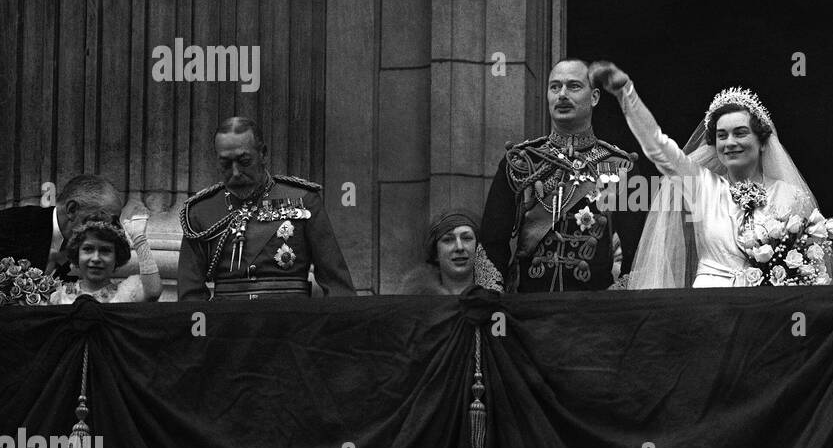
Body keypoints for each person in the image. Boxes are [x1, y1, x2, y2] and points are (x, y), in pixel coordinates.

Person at [590, 61, 833, 289]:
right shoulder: (703, 186)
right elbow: (658, 146)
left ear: (762, 142)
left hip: (769, 311)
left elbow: (812, 268)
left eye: (740, 133)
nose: (730, 143)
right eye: (722, 135)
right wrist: (627, 94)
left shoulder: (789, 194)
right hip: (709, 306)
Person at [480, 59, 638, 291]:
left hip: (594, 314)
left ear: (594, 97)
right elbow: (491, 242)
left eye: (573, 86)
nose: (562, 94)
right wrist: (491, 298)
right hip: (528, 312)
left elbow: (638, 248)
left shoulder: (621, 166)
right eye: (555, 87)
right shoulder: (520, 162)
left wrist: (618, 303)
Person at [177, 116, 356, 300]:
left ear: (263, 154)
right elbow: (190, 295)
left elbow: (338, 286)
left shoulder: (303, 199)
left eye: (244, 161)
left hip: (291, 323)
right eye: (226, 164)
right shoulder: (201, 211)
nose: (236, 172)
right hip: (228, 325)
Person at [0, 175, 123, 278]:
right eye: (99, 220)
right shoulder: (10, 225)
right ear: (72, 210)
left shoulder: (88, 251)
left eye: (112, 223)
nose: (107, 230)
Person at [49, 216, 162, 304]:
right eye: (88, 249)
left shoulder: (126, 293)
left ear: (116, 257)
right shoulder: (59, 296)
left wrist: (140, 240)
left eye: (105, 250)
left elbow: (152, 292)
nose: (96, 258)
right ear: (77, 254)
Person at [397, 209, 503, 295]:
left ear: (478, 248)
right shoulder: (415, 302)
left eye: (466, 238)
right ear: (435, 253)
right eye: (448, 240)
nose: (459, 247)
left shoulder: (496, 298)